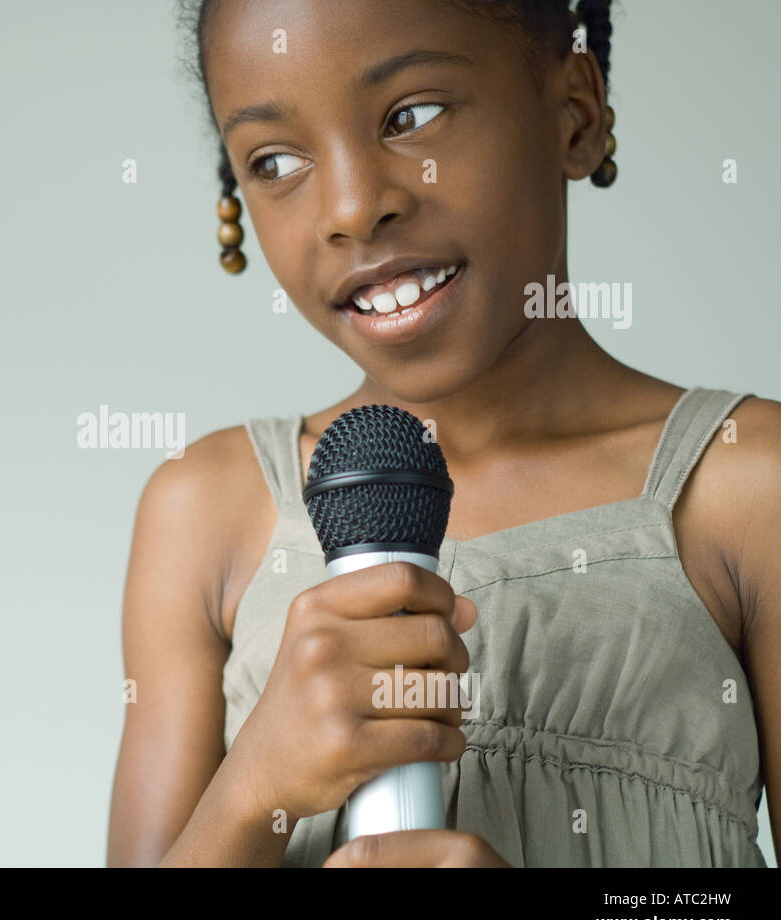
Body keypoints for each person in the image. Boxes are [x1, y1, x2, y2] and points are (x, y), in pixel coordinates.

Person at [106, 0, 781, 867]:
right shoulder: (203, 512)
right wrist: (252, 790)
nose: (352, 207)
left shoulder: (745, 485)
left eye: (412, 116)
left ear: (574, 112)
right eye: (275, 160)